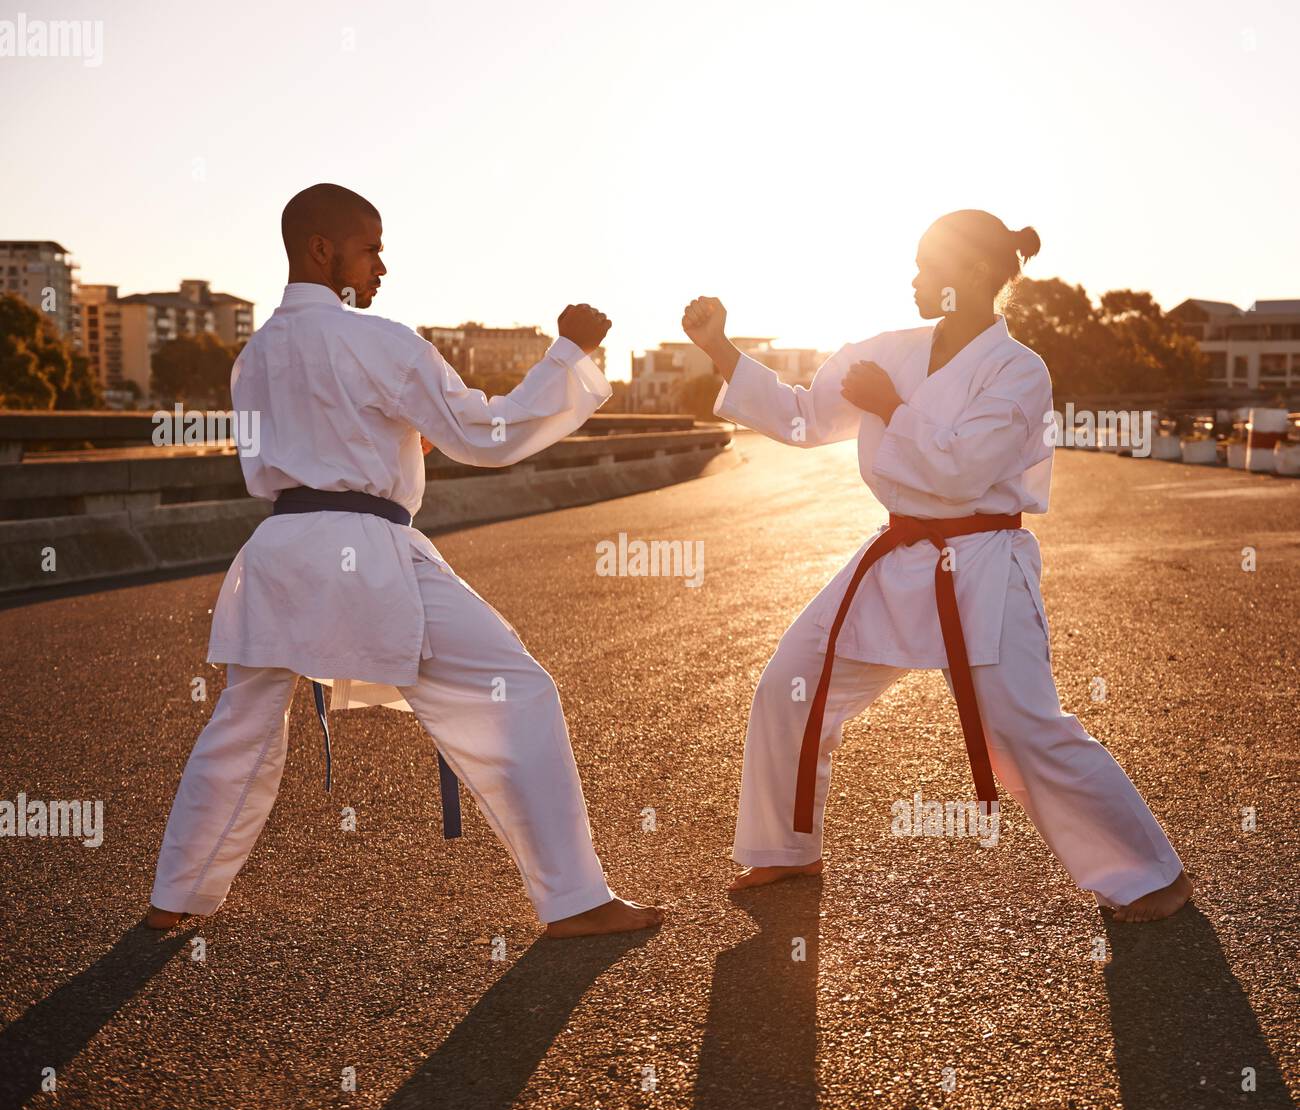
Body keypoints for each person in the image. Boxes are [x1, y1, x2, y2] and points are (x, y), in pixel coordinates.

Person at [146, 183, 663, 938]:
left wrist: (391, 446)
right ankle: (577, 900)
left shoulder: (252, 357)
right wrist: (568, 353)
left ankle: (176, 895)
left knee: (242, 726)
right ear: (323, 249)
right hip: (365, 549)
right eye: (371, 247)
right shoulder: (378, 339)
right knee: (518, 690)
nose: (381, 264)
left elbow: (317, 446)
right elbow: (487, 434)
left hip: (280, 551)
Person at [680, 209, 1193, 923]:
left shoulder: (1019, 370)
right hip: (896, 558)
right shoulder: (888, 348)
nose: (916, 279)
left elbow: (961, 471)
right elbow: (804, 418)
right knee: (792, 681)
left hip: (983, 563)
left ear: (977, 275)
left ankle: (1148, 877)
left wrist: (891, 406)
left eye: (929, 267)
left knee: (1020, 726)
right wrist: (723, 352)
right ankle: (784, 847)